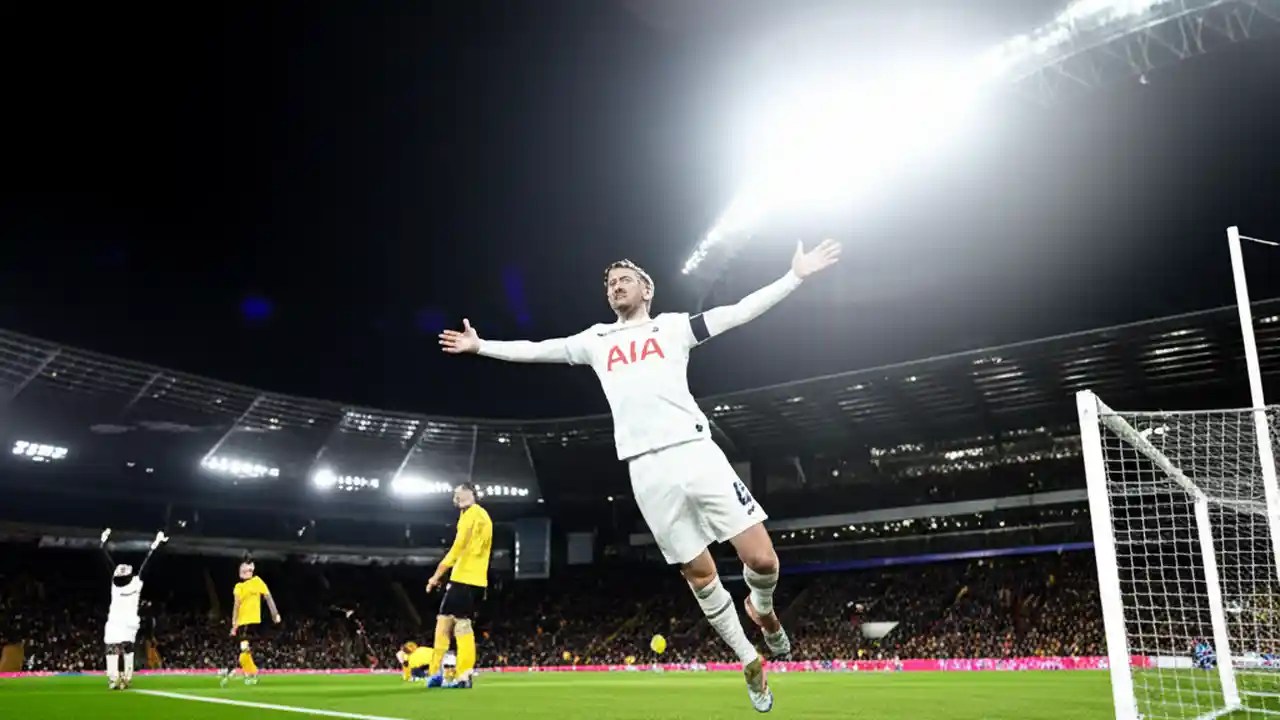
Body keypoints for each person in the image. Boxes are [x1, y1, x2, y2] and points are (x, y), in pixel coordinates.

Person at [440, 240, 841, 711]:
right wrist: (481, 345)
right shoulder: (596, 340)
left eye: (623, 279)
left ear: (646, 289)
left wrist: (793, 276)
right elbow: (536, 350)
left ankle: (764, 611)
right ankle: (747, 657)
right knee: (699, 572)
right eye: (609, 284)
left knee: (764, 561)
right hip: (645, 468)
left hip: (696, 452)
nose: (615, 287)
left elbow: (737, 312)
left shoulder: (673, 328)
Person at [424, 482, 493, 689]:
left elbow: (457, 548)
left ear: (474, 495)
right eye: (457, 494)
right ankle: (437, 672)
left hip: (465, 578)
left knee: (459, 623)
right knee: (445, 621)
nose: (459, 496)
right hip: (473, 579)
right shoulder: (479, 515)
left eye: (464, 493)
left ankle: (462, 675)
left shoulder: (472, 515)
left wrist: (435, 576)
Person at [100, 528, 168, 690]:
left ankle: (114, 678)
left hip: (116, 621)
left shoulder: (115, 584)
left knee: (112, 650)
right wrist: (156, 544)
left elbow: (107, 560)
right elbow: (147, 562)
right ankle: (126, 678)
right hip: (129, 621)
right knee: (127, 650)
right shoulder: (136, 582)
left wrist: (102, 543)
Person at [219, 557, 281, 687]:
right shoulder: (238, 587)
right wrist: (234, 624)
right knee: (244, 649)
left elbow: (268, 597)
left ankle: (244, 672)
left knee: (245, 649)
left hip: (254, 622)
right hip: (243, 623)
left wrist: (275, 614)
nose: (241, 571)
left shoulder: (257, 582)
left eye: (244, 568)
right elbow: (236, 606)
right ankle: (248, 673)